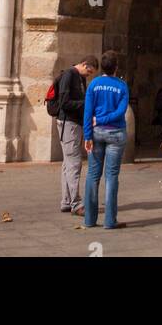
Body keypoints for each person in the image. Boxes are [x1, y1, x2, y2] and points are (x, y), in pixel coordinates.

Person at [83, 50, 130, 230]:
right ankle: (110, 220)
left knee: (93, 175)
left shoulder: (94, 84)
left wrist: (87, 135)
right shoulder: (122, 86)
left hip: (96, 133)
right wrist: (104, 120)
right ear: (116, 67)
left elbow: (88, 112)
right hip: (116, 133)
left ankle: (89, 219)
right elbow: (121, 111)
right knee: (111, 177)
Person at [55, 56, 99, 214]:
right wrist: (86, 103)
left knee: (68, 163)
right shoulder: (69, 75)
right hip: (68, 124)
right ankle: (76, 203)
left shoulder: (80, 78)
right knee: (74, 163)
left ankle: (66, 201)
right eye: (89, 72)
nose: (89, 75)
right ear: (84, 64)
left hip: (74, 124)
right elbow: (64, 103)